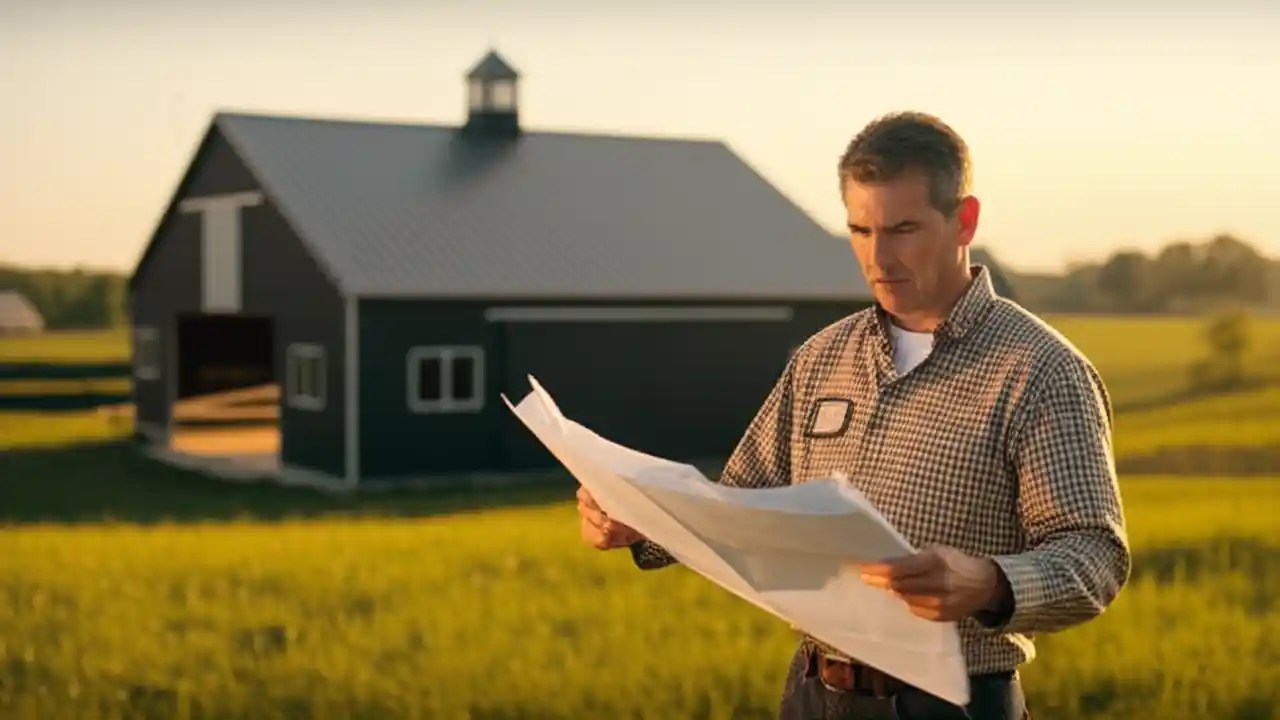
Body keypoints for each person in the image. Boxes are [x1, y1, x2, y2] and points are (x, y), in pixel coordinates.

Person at [575, 111, 1130, 720]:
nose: (878, 256)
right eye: (860, 230)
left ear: (964, 220)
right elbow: (736, 505)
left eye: (903, 229)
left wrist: (989, 582)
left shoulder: (1040, 370)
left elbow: (1095, 558)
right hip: (814, 695)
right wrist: (639, 521)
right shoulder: (821, 358)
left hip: (955, 704)